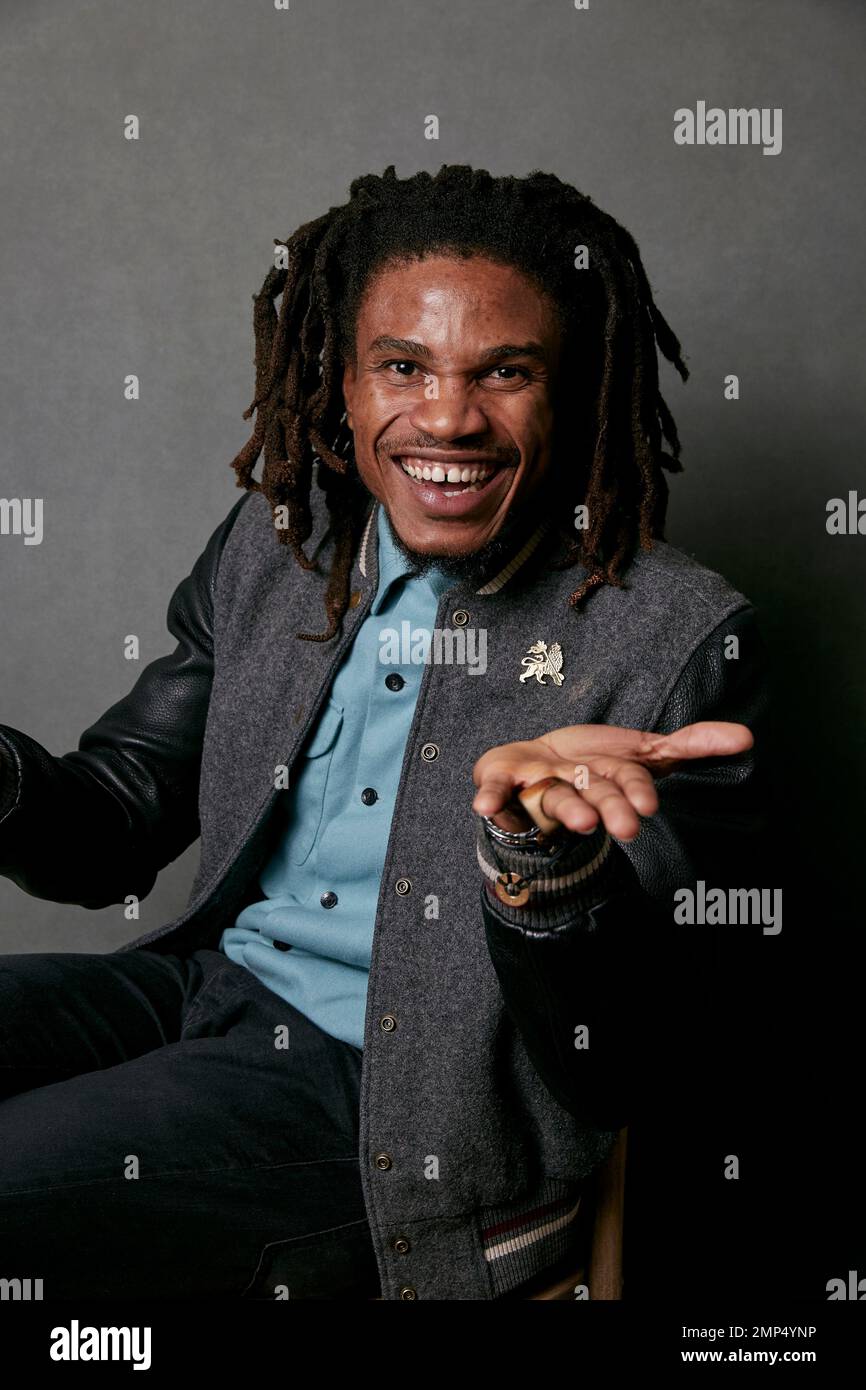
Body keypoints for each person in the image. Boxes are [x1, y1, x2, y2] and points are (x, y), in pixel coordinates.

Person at [0, 165, 768, 1301]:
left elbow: (618, 1063)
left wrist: (540, 864)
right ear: (345, 382)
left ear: (573, 386)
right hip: (207, 988)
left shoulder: (674, 639)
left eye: (503, 371)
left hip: (401, 1094)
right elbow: (111, 826)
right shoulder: (281, 541)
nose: (448, 415)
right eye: (402, 366)